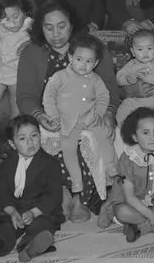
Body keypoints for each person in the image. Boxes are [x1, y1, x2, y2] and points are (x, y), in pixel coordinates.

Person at [16, 0, 120, 224]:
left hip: (91, 114)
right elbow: (25, 96)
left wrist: (108, 114)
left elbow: (110, 89)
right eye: (48, 27)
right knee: (57, 138)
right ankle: (63, 193)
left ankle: (80, 198)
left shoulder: (92, 48)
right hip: (49, 115)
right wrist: (40, 116)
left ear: (72, 26)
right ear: (40, 28)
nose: (55, 34)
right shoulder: (32, 53)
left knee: (89, 138)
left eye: (61, 26)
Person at [41, 33, 118, 220]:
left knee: (105, 136)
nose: (83, 64)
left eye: (89, 61)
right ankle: (76, 184)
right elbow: (48, 97)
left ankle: (110, 169)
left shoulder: (96, 80)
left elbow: (103, 98)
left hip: (89, 119)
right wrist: (54, 116)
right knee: (68, 149)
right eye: (79, 59)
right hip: (68, 122)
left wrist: (99, 114)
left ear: (96, 62)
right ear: (70, 58)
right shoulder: (59, 77)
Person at [0, 115, 65, 262]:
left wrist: (33, 213)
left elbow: (53, 195)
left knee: (40, 226)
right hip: (15, 208)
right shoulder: (6, 165)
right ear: (12, 144)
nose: (30, 142)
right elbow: (1, 191)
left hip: (39, 210)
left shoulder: (51, 164)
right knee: (5, 225)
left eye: (34, 135)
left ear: (40, 136)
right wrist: (12, 211)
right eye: (22, 138)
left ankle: (30, 248)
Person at [110, 107, 154, 242]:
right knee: (122, 212)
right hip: (132, 204)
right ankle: (152, 224)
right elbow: (129, 197)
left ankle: (142, 228)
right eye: (145, 133)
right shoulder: (128, 158)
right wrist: (153, 216)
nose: (153, 137)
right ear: (134, 137)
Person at [0, 0, 32, 163]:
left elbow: (40, 40)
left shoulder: (29, 25)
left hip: (18, 72)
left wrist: (29, 42)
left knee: (16, 106)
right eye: (6, 18)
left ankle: (11, 142)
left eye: (15, 16)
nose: (11, 22)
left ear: (24, 12)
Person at [115, 27, 154, 126]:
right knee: (125, 105)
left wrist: (146, 77)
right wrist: (127, 79)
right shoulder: (131, 65)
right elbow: (119, 76)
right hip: (136, 100)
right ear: (132, 51)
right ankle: (124, 130)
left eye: (149, 48)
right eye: (140, 49)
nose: (145, 53)